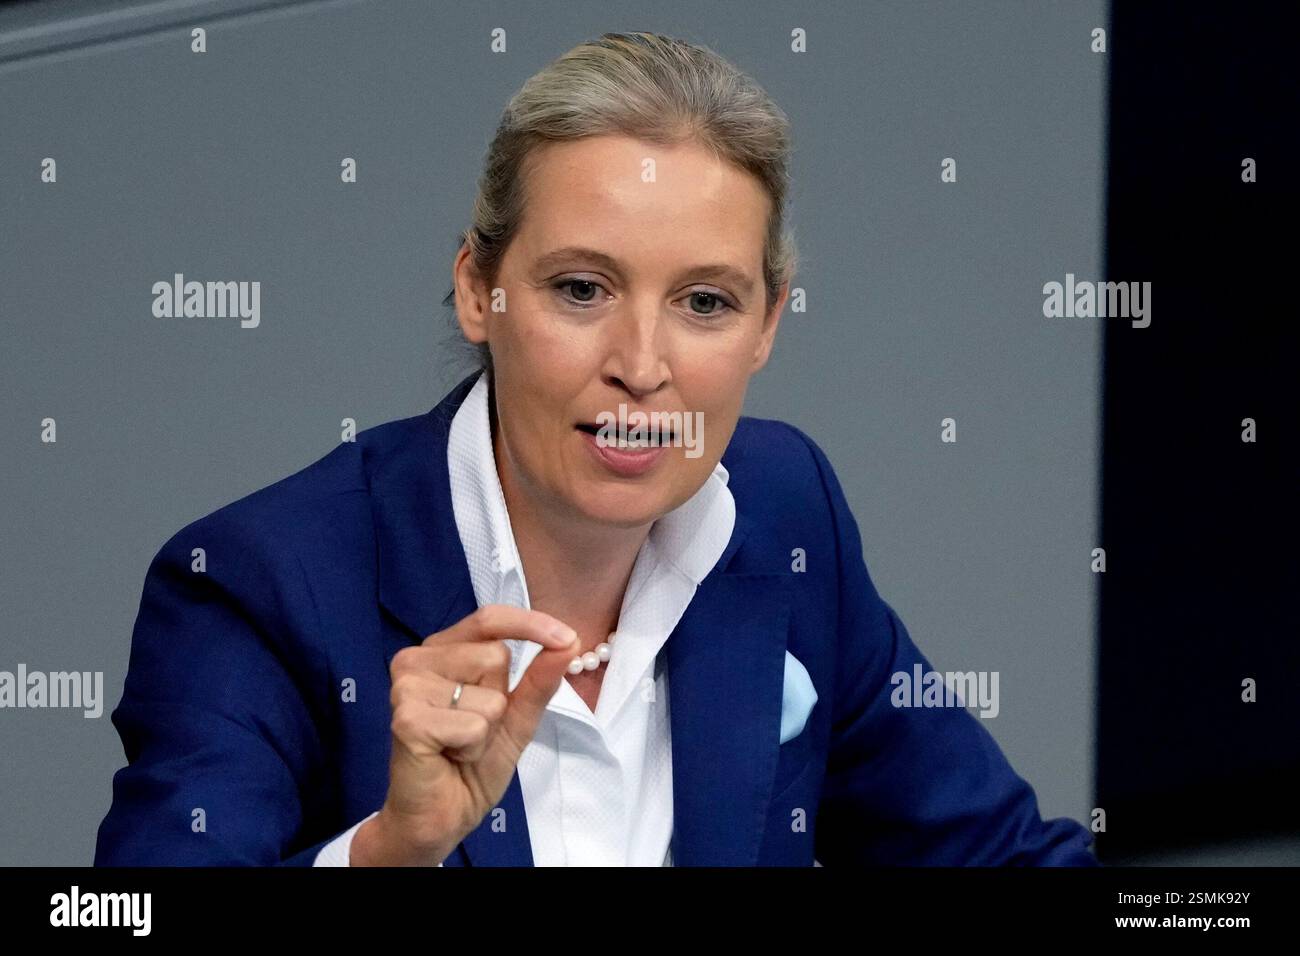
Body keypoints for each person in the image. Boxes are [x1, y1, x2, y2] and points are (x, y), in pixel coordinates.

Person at [94, 31, 1098, 866]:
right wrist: (390, 850)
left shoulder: (788, 511)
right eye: (582, 288)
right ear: (475, 289)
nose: (641, 363)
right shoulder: (257, 584)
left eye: (704, 302)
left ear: (768, 323)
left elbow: (999, 857)